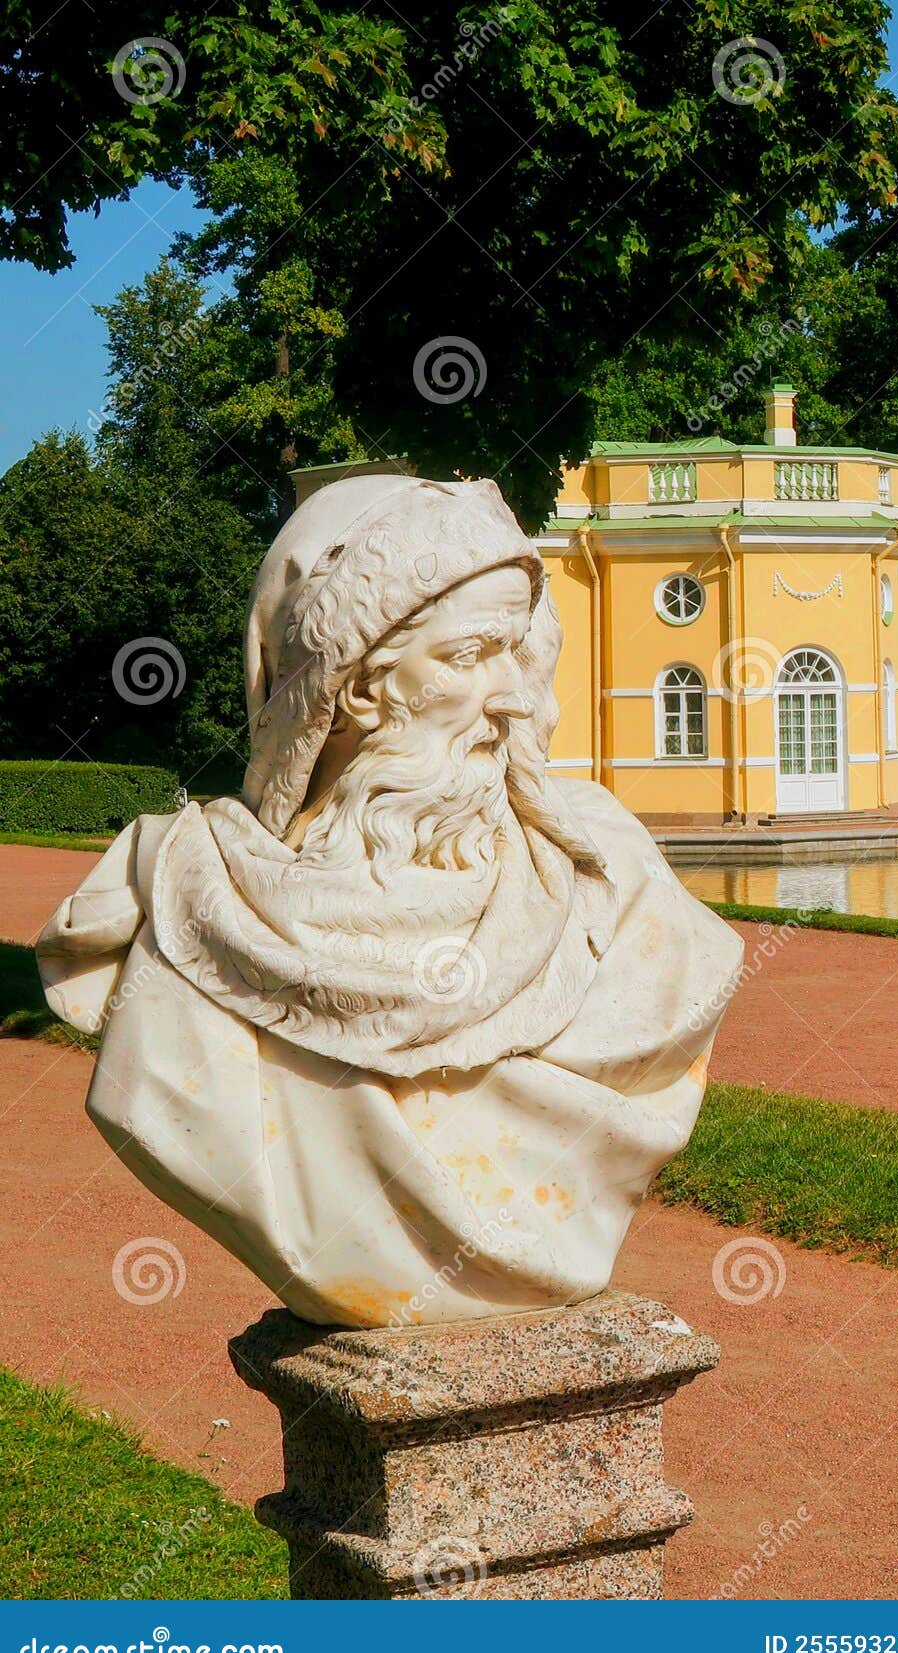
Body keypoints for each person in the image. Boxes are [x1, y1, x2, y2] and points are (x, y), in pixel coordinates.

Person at [37, 476, 743, 1328]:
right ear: (357, 685)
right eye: (469, 655)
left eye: (516, 651)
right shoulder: (192, 903)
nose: (513, 696)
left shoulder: (616, 878)